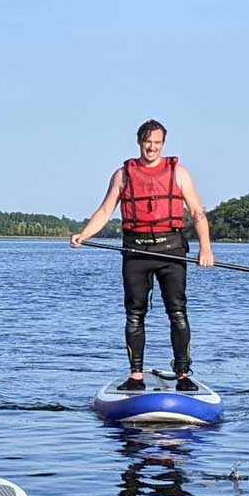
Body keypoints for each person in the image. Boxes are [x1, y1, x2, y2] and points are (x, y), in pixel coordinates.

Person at [69, 119, 215, 392]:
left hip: (171, 251)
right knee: (135, 315)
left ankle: (183, 374)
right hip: (136, 251)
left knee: (178, 313)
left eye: (157, 143)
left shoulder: (179, 173)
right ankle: (136, 375)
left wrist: (205, 248)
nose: (152, 147)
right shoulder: (123, 174)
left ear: (163, 144)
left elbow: (197, 212)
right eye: (148, 142)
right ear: (139, 142)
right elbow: (104, 211)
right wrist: (84, 234)